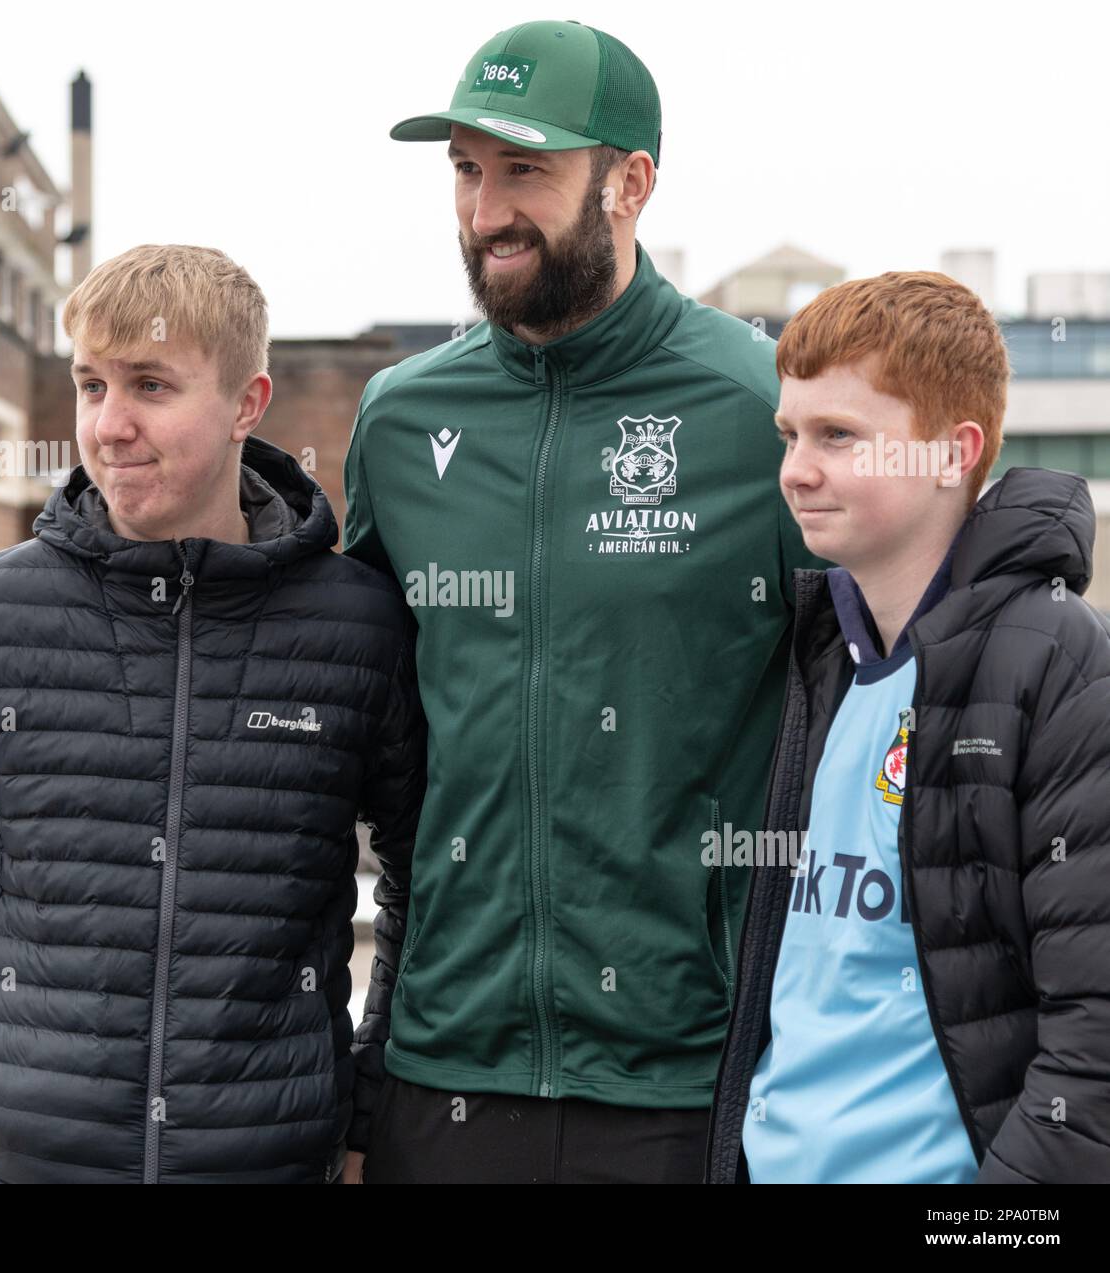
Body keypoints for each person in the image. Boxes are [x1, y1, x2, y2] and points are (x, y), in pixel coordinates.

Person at [341, 19, 825, 1184]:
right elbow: (358, 725)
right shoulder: (400, 421)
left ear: (631, 182)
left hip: (686, 1071)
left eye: (525, 170)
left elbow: (869, 700)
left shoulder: (757, 405)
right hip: (441, 1064)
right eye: (465, 168)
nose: (485, 210)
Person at [0, 244, 426, 1184]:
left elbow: (421, 885)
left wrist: (366, 1117)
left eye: (151, 385)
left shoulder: (355, 627)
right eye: (90, 385)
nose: (109, 425)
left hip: (265, 1162)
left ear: (248, 402)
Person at [706, 271, 1110, 1184]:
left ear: (952, 453)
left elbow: (1094, 1048)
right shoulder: (819, 657)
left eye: (839, 436)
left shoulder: (1058, 663)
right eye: (791, 434)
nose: (796, 469)